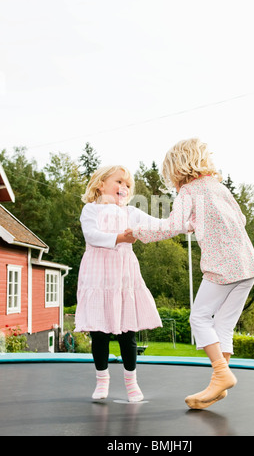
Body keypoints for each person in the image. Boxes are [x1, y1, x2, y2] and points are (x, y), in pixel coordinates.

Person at [125, 138, 254, 409]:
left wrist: (137, 233)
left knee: (198, 318)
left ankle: (221, 374)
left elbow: (170, 227)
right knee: (223, 323)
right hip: (247, 264)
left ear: (178, 171)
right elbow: (241, 220)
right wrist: (197, 222)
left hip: (222, 266)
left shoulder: (188, 191)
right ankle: (218, 381)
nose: (173, 186)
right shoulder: (219, 188)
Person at [75, 165, 162, 402]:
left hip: (124, 279)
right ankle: (102, 380)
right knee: (99, 333)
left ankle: (131, 382)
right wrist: (120, 238)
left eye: (127, 185)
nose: (124, 187)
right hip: (97, 277)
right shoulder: (90, 209)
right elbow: (92, 235)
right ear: (101, 184)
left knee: (128, 333)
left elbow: (156, 225)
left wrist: (185, 223)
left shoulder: (131, 213)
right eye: (119, 182)